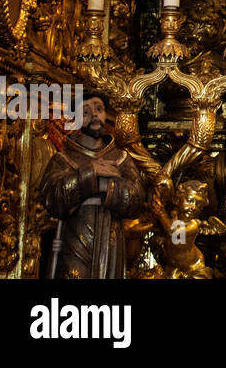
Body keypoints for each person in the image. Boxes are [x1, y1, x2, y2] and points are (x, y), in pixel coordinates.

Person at [38, 91, 146, 278]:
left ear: (105, 115)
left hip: (110, 245)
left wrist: (106, 187)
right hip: (74, 242)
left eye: (99, 109)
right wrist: (90, 174)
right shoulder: (63, 159)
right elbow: (51, 199)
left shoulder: (121, 158)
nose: (94, 115)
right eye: (86, 112)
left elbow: (136, 199)